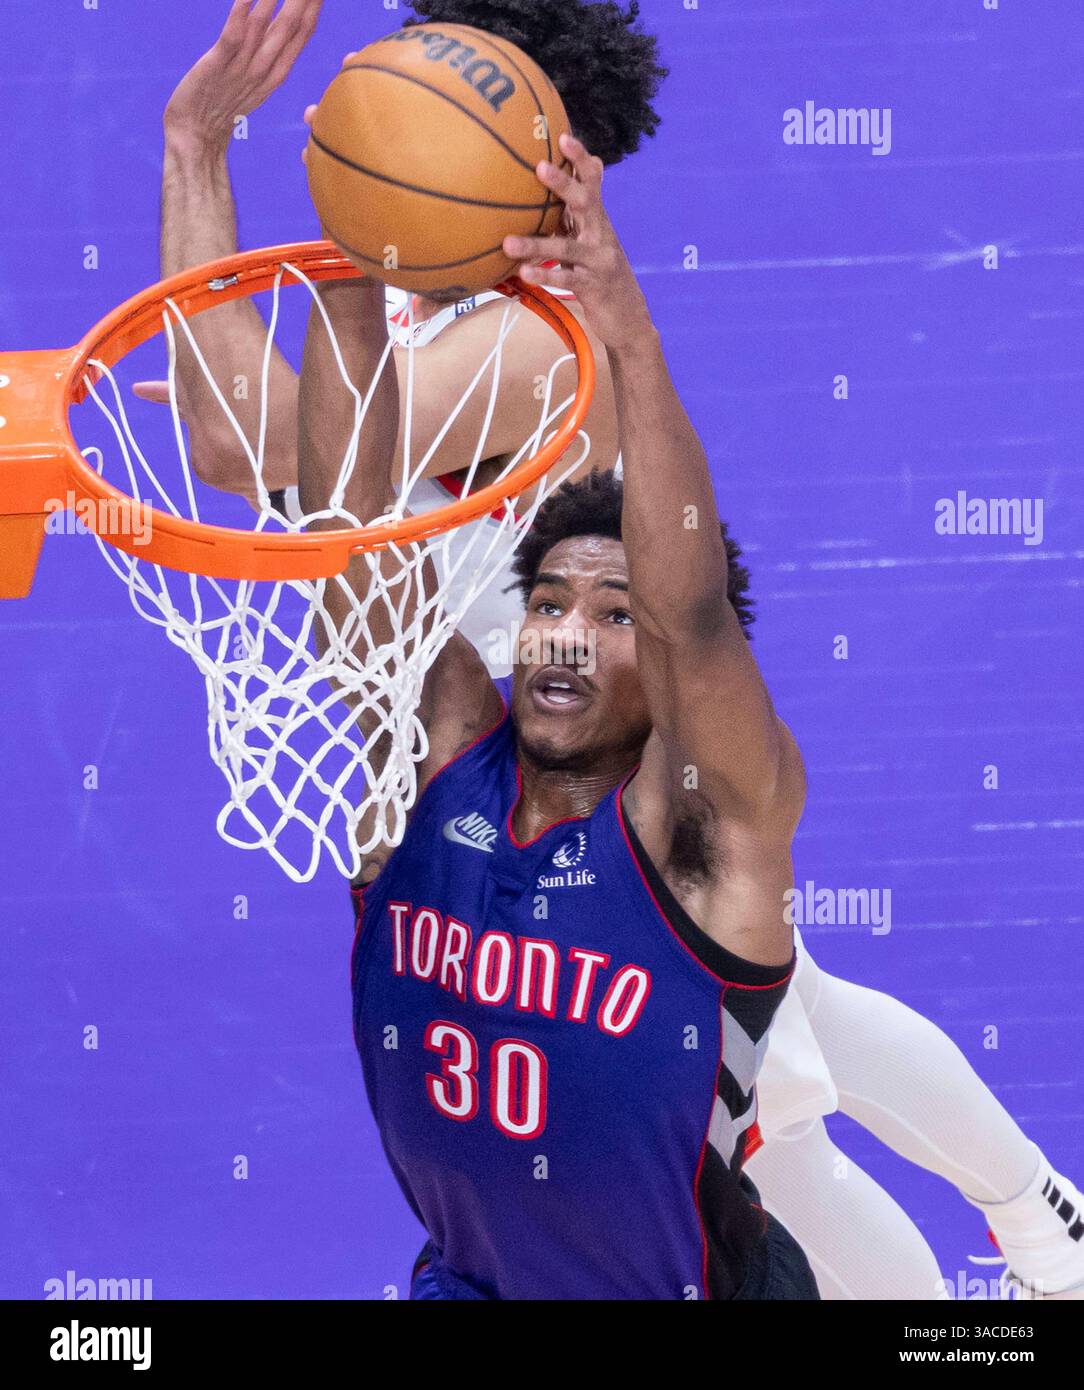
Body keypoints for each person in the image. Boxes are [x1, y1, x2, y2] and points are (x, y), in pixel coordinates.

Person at [143, 0, 1084, 1300]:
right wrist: (198, 146)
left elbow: (257, 443)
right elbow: (238, 435)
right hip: (480, 783)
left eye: (416, 103)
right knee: (789, 1038)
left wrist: (326, 292)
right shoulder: (435, 307)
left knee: (761, 1124)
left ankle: (1029, 1238)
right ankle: (1043, 1219)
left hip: (608, 802)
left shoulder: (533, 334)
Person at [298, 124, 818, 1299]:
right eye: (546, 599)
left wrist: (621, 318)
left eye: (611, 610)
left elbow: (691, 616)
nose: (567, 630)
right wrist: (353, 261)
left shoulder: (698, 837)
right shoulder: (440, 772)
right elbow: (351, 540)